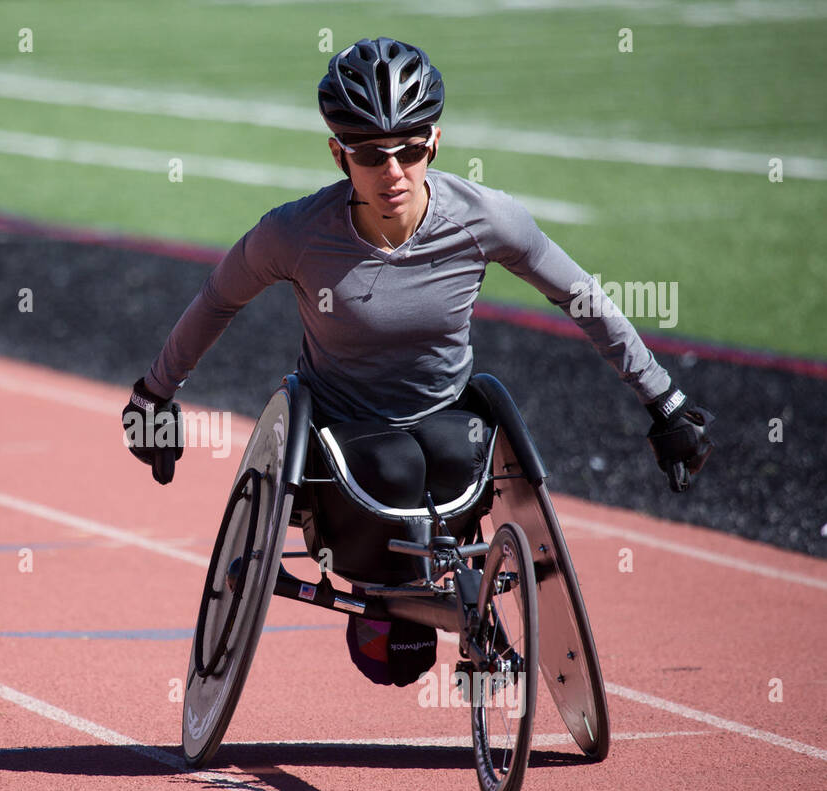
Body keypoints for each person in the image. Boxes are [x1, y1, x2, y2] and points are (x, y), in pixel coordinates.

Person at [122, 37, 714, 683]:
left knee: (459, 451)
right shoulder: (294, 233)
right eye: (371, 154)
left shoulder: (485, 219)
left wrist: (665, 402)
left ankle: (444, 589)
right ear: (337, 153)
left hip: (443, 412)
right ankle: (384, 598)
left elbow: (584, 300)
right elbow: (216, 302)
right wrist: (153, 397)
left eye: (409, 149)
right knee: (395, 462)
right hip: (340, 428)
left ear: (433, 142)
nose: (393, 171)